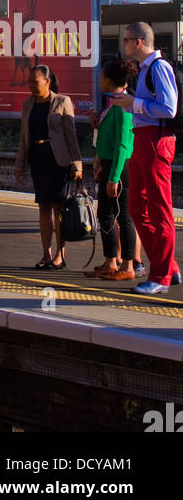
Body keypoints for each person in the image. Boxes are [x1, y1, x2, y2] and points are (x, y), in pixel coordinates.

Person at [108, 22, 181, 295]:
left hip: (155, 141)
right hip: (144, 139)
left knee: (159, 209)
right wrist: (132, 104)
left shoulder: (159, 68)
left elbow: (169, 108)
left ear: (138, 42)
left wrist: (132, 104)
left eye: (126, 40)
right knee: (138, 207)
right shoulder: (147, 70)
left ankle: (161, 276)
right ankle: (168, 267)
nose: (124, 45)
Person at [14, 65, 82, 268]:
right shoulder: (27, 105)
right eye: (30, 82)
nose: (32, 86)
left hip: (58, 161)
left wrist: (76, 164)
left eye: (36, 82)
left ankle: (60, 255)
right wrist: (20, 165)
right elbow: (24, 137)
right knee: (43, 207)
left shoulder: (62, 101)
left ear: (47, 81)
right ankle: (46, 253)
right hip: (38, 159)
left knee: (58, 208)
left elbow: (71, 135)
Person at [87, 57, 137, 280]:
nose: (99, 80)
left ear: (109, 79)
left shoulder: (123, 106)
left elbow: (122, 144)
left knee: (122, 215)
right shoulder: (112, 103)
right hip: (108, 164)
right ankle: (110, 261)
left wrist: (114, 178)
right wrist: (99, 158)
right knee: (105, 214)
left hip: (120, 167)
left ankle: (128, 265)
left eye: (102, 76)